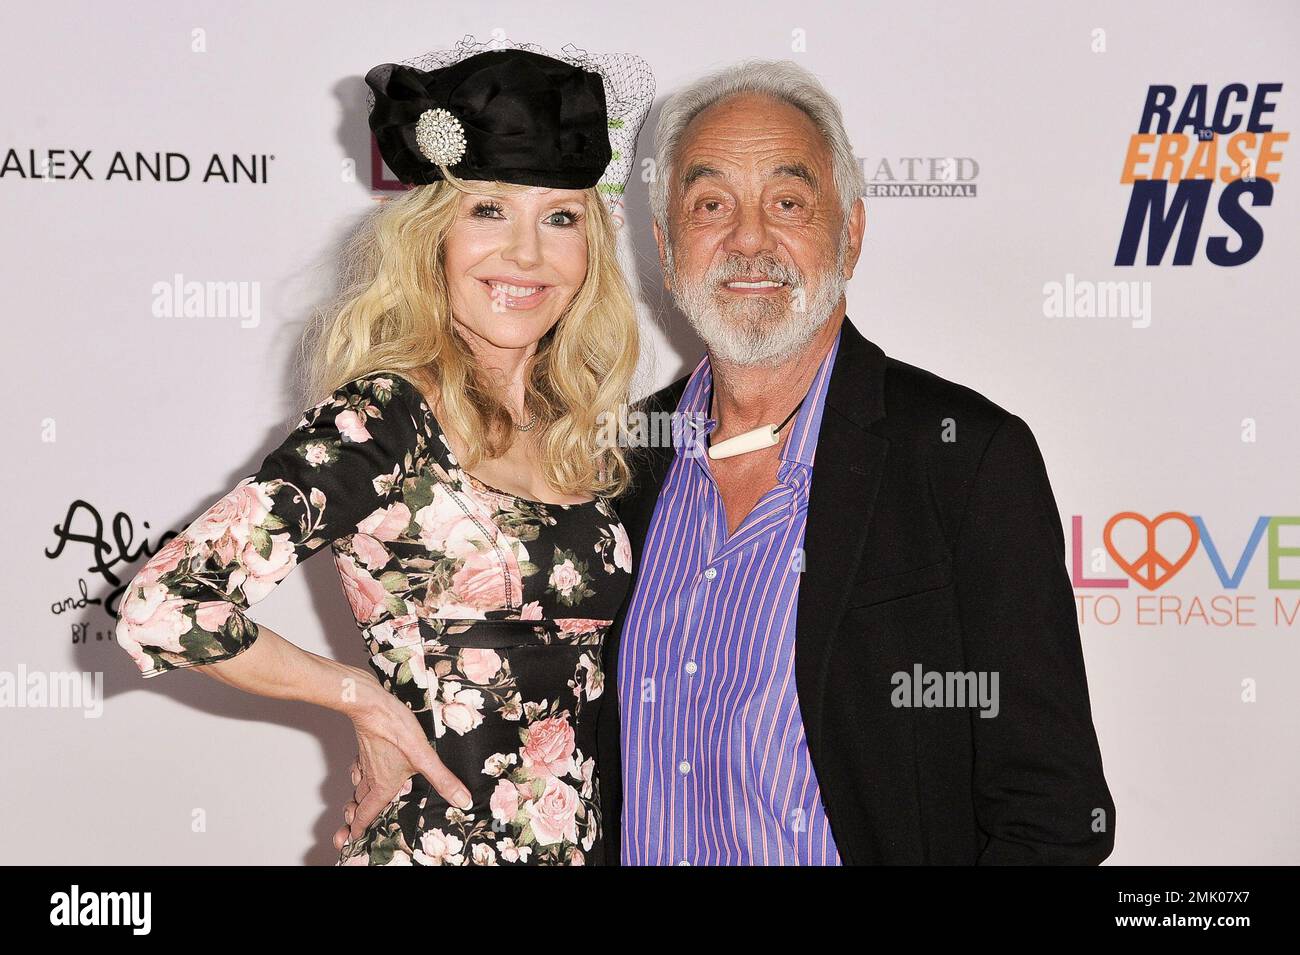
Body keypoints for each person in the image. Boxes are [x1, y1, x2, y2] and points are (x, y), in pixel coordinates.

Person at [114, 39, 653, 866]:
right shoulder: (384, 416)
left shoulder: (573, 425)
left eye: (559, 217)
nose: (527, 254)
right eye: (487, 210)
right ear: (431, 233)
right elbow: (166, 605)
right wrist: (363, 700)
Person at [593, 59, 1117, 865]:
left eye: (789, 202)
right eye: (710, 205)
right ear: (666, 248)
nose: (749, 239)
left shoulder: (963, 460)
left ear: (852, 233)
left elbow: (1051, 812)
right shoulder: (621, 466)